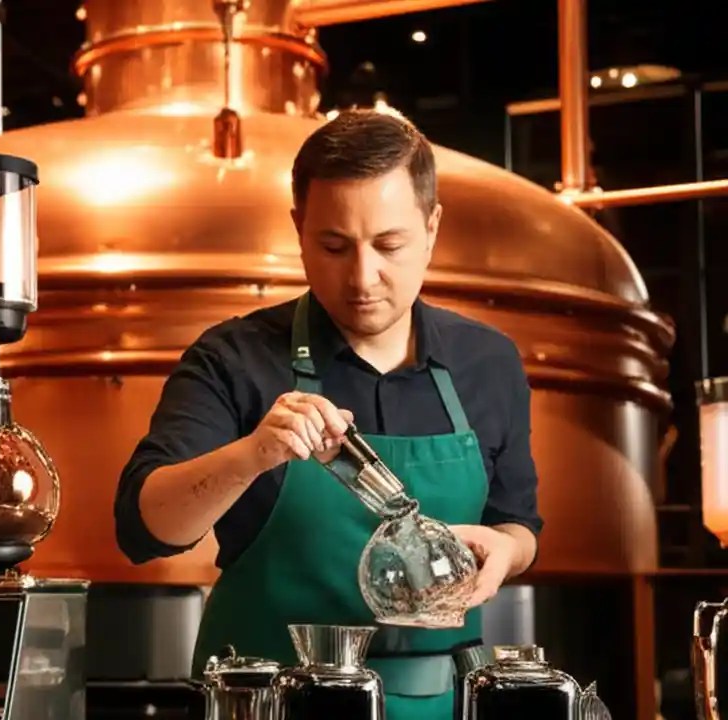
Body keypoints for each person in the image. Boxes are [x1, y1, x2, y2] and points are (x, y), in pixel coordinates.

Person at [114, 110, 541, 718]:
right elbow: (145, 525)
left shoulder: (487, 361)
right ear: (299, 228)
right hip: (266, 701)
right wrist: (252, 454)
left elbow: (518, 523)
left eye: (389, 245)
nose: (363, 277)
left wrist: (505, 550)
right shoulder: (234, 357)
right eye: (334, 246)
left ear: (432, 227)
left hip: (438, 701)